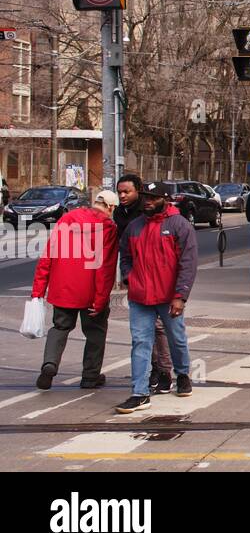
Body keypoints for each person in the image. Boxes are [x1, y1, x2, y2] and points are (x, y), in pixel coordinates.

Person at [115, 181, 197, 414]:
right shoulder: (135, 226)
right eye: (145, 197)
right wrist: (129, 277)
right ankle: (139, 393)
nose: (148, 201)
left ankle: (182, 374)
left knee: (176, 339)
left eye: (153, 198)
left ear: (165, 199)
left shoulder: (179, 225)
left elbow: (188, 264)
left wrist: (180, 296)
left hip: (168, 296)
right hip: (140, 296)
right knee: (140, 342)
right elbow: (125, 255)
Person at [31, 189, 119, 390]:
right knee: (95, 332)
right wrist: (100, 299)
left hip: (62, 288)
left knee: (60, 327)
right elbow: (105, 267)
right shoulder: (107, 227)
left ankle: (50, 364)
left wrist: (38, 290)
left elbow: (48, 256)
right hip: (90, 290)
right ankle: (90, 376)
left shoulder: (68, 218)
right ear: (111, 207)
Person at [115, 174, 175, 394]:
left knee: (159, 328)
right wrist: (127, 275)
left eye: (127, 192)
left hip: (158, 279)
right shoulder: (120, 213)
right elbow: (124, 249)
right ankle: (154, 369)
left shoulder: (148, 211)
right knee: (141, 333)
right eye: (119, 192)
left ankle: (164, 371)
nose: (122, 195)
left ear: (138, 191)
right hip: (138, 280)